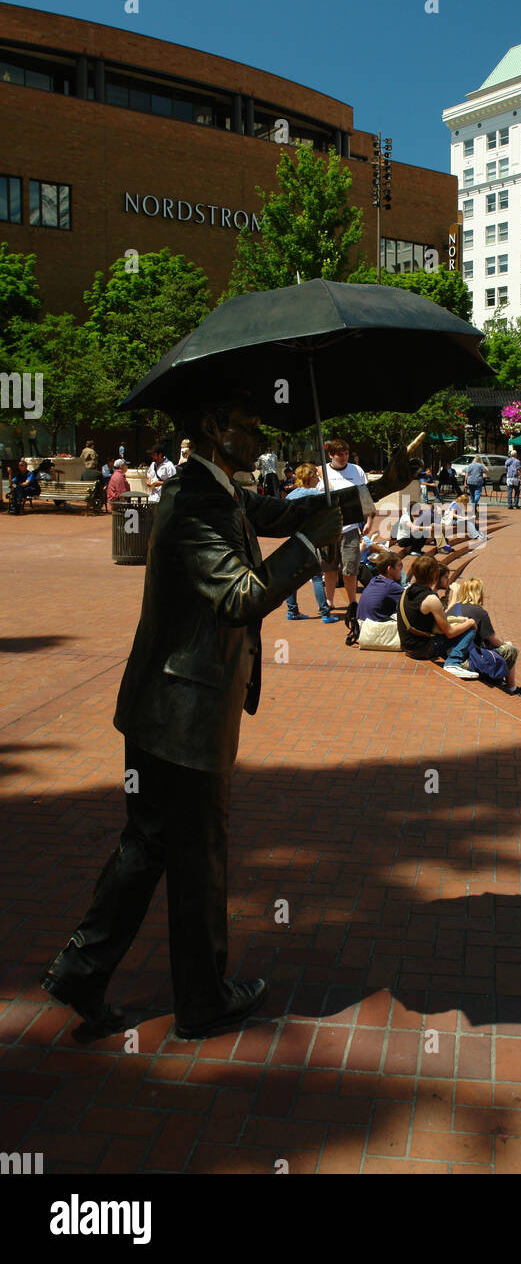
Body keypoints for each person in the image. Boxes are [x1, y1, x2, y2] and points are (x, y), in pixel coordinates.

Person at [40, 392, 413, 1039]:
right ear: (213, 424)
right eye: (246, 419)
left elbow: (294, 509)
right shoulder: (194, 503)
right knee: (198, 855)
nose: (258, 428)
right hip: (184, 714)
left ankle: (83, 969)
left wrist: (385, 485)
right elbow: (241, 597)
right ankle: (203, 999)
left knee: (151, 844)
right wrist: (304, 544)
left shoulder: (214, 487)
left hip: (163, 707)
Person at [447, 578, 521, 700]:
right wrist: (506, 643)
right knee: (511, 650)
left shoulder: (453, 608)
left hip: (449, 655)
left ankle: (499, 679)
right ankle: (512, 688)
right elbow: (494, 641)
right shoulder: (479, 612)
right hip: (467, 661)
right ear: (479, 593)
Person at [396, 553, 478, 679]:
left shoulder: (406, 591)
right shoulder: (431, 599)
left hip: (408, 647)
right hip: (423, 649)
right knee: (469, 629)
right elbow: (450, 632)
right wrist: (470, 622)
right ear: (434, 574)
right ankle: (453, 663)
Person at [320, 438, 374, 618]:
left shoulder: (356, 470)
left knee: (350, 567)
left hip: (351, 528)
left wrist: (369, 521)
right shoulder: (322, 472)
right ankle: (329, 600)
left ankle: (352, 601)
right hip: (328, 529)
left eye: (346, 454)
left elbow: (365, 496)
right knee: (330, 568)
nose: (343, 457)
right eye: (339, 454)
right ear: (330, 455)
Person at [284, 463, 340, 623]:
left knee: (292, 578)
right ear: (309, 478)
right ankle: (325, 613)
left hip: (293, 540)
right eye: (315, 476)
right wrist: (324, 476)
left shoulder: (290, 495)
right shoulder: (314, 495)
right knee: (316, 577)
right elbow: (335, 495)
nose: (317, 479)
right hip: (309, 540)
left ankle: (292, 611)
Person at [357, 550, 404, 622]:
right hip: (375, 629)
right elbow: (413, 601)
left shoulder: (374, 580)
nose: (401, 568)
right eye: (399, 565)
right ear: (389, 569)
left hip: (362, 626)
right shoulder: (391, 586)